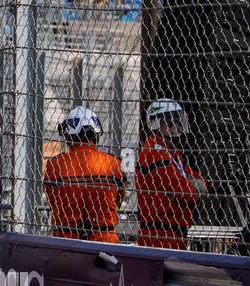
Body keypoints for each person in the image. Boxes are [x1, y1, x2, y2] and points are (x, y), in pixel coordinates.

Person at [43, 106, 126, 242]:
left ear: (68, 135)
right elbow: (118, 200)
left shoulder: (55, 165)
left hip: (65, 241)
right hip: (104, 241)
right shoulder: (114, 164)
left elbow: (53, 201)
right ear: (96, 134)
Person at [136, 99, 206, 250]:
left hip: (173, 233)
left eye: (177, 122)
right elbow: (184, 192)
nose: (176, 127)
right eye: (170, 123)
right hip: (159, 235)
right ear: (156, 124)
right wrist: (193, 187)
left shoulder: (173, 154)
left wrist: (192, 186)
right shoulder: (154, 153)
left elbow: (200, 181)